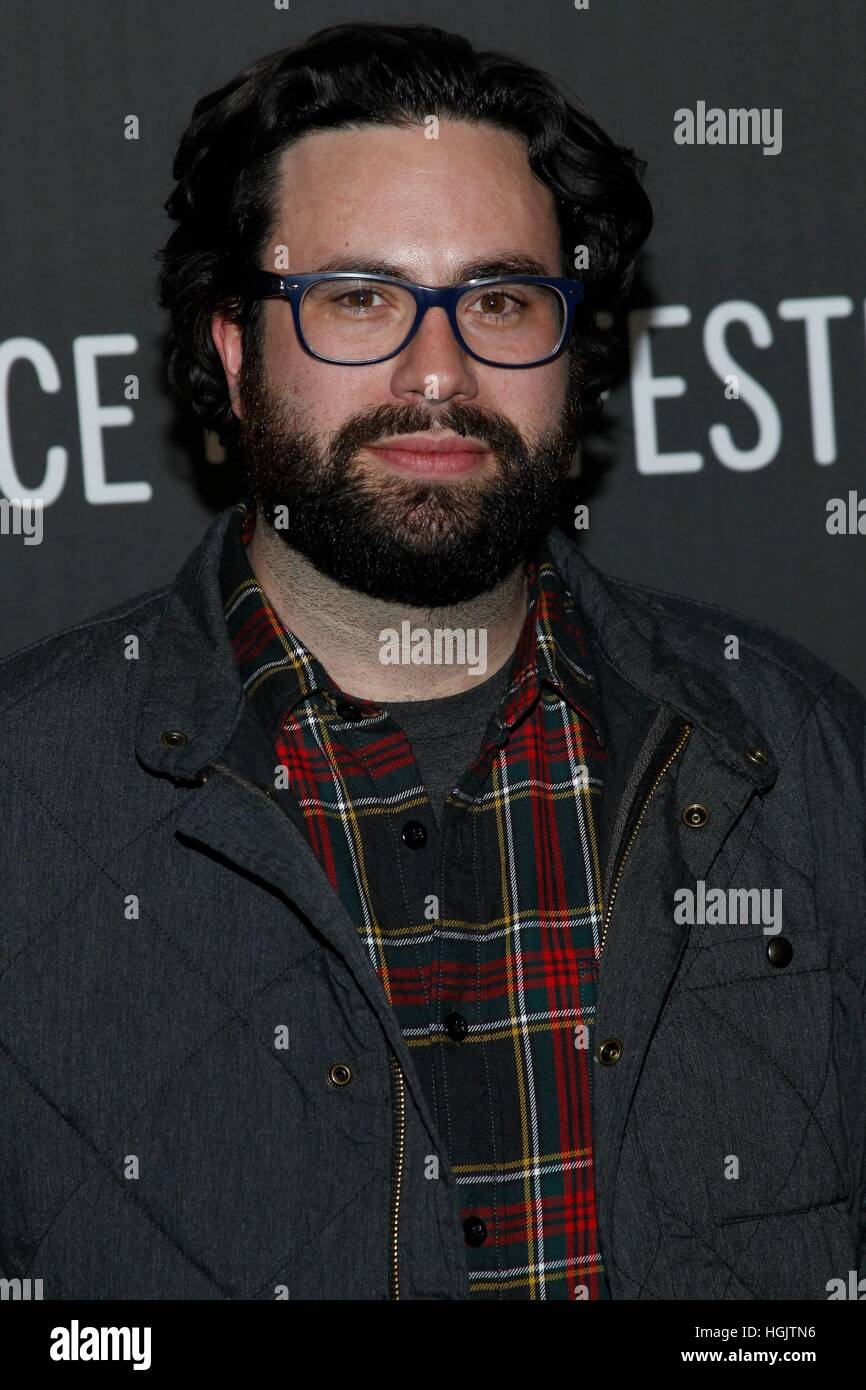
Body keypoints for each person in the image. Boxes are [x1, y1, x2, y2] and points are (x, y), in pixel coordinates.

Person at [1, 20, 863, 1302]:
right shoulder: (26, 801)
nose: (438, 371)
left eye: (501, 299)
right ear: (235, 353)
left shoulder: (801, 757)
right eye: (358, 298)